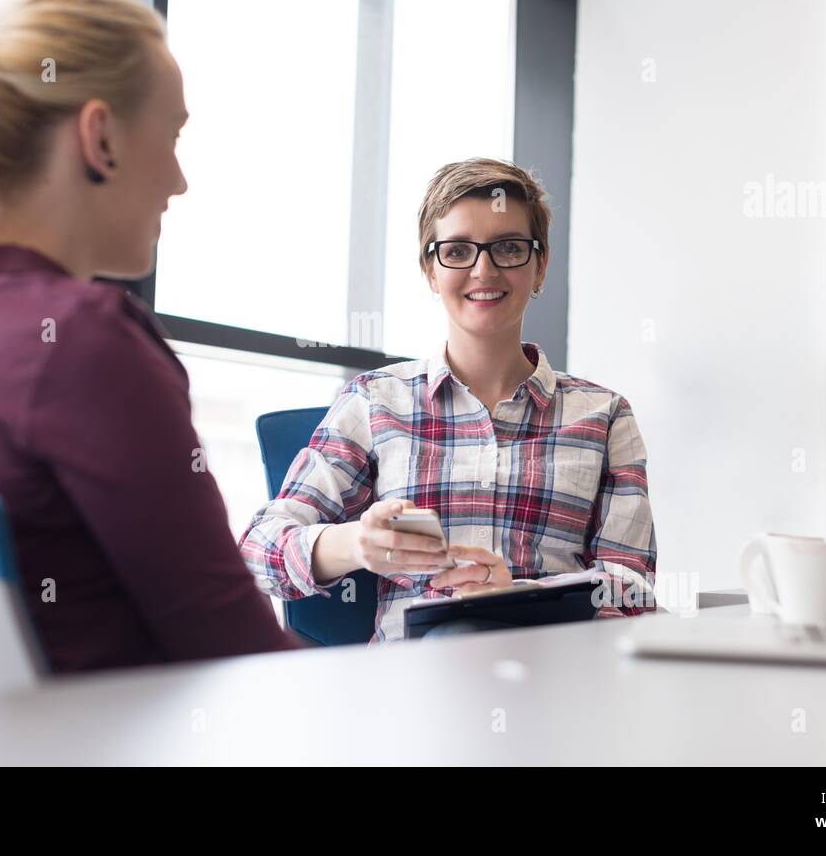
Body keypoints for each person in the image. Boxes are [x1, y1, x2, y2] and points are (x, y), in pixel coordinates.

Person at [0, 0, 298, 671]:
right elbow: (238, 650)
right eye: (174, 135)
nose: (179, 179)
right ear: (100, 139)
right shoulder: (81, 342)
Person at [239, 158, 657, 642]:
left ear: (539, 266)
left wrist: (519, 597)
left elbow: (633, 592)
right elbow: (258, 552)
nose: (484, 269)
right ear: (431, 271)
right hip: (409, 688)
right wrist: (357, 544)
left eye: (508, 248)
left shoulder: (604, 416)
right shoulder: (375, 401)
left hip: (551, 677)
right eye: (457, 250)